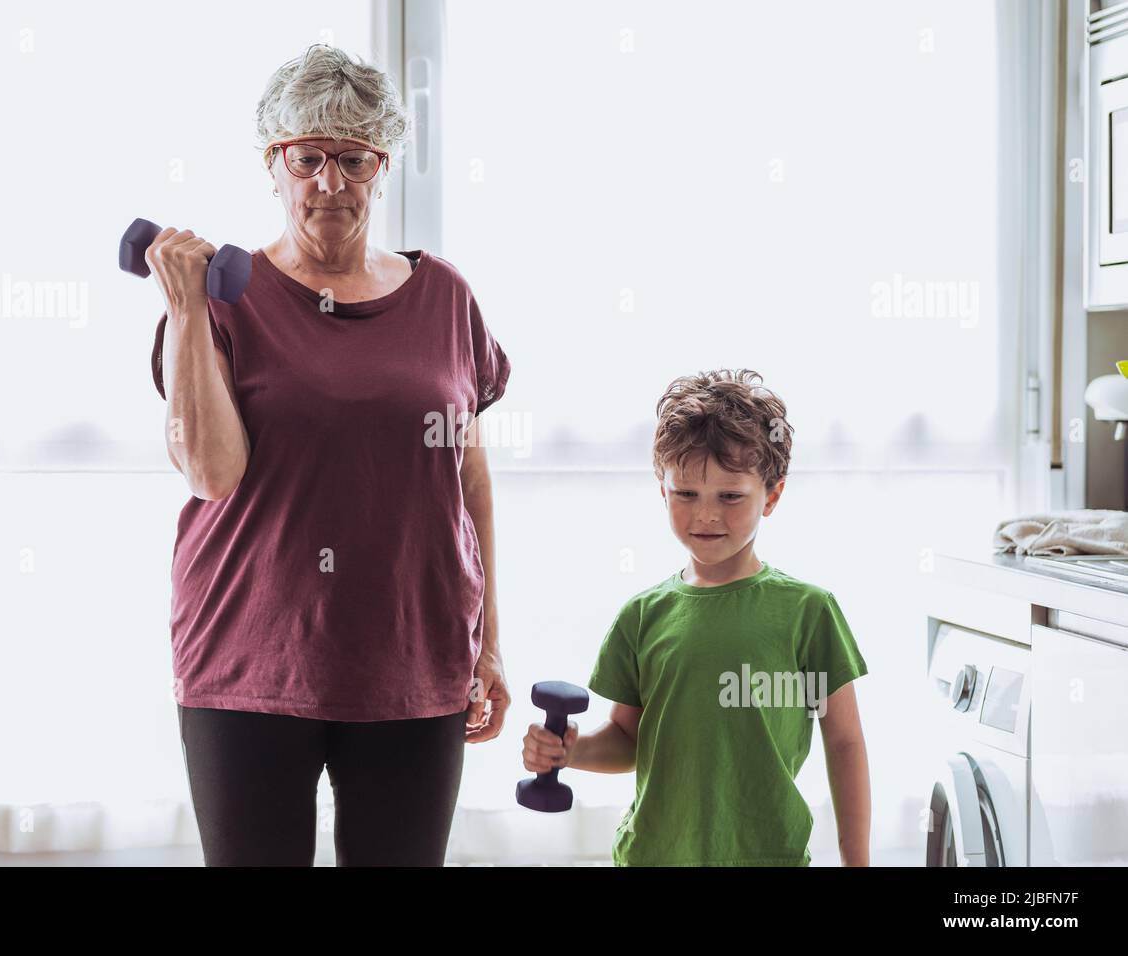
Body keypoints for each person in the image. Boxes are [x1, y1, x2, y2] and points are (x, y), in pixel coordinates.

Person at [147, 44, 511, 865]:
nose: (329, 182)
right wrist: (186, 309)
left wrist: (487, 644)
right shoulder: (218, 303)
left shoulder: (446, 297)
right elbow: (211, 472)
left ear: (383, 170)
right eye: (305, 157)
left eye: (354, 159)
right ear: (273, 166)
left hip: (414, 657)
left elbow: (470, 480)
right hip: (250, 658)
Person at [521, 369, 871, 866]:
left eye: (730, 497)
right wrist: (570, 752)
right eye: (686, 494)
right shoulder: (642, 616)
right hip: (653, 855)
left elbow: (845, 742)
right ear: (662, 492)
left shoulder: (808, 612)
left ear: (771, 496)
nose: (706, 515)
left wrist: (857, 860)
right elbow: (628, 740)